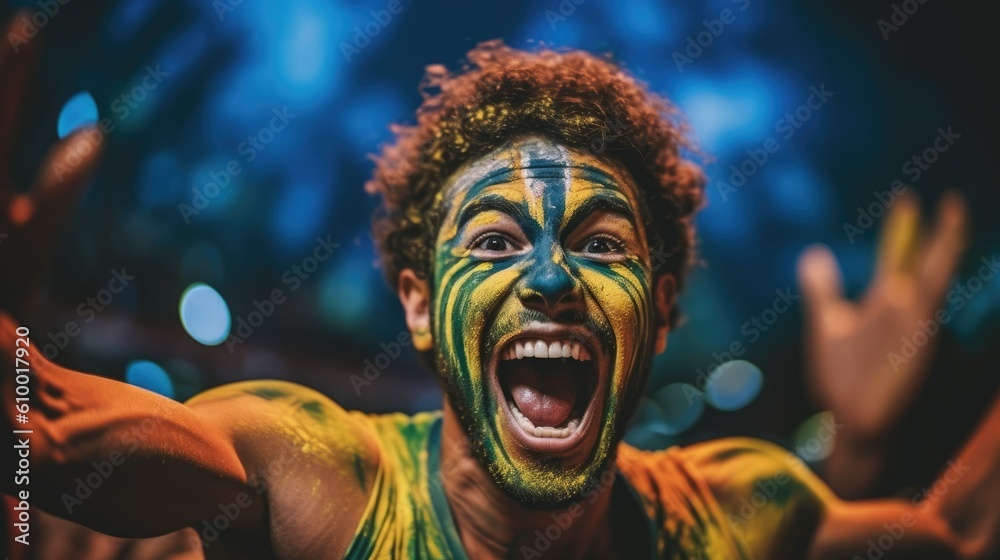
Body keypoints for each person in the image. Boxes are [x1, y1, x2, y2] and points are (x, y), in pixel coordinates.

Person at [2, 21, 998, 559]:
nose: (552, 276)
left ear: (657, 312)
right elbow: (37, 438)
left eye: (598, 242)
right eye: (494, 239)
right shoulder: (317, 482)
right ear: (420, 303)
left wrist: (859, 438)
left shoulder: (742, 520)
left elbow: (954, 540)